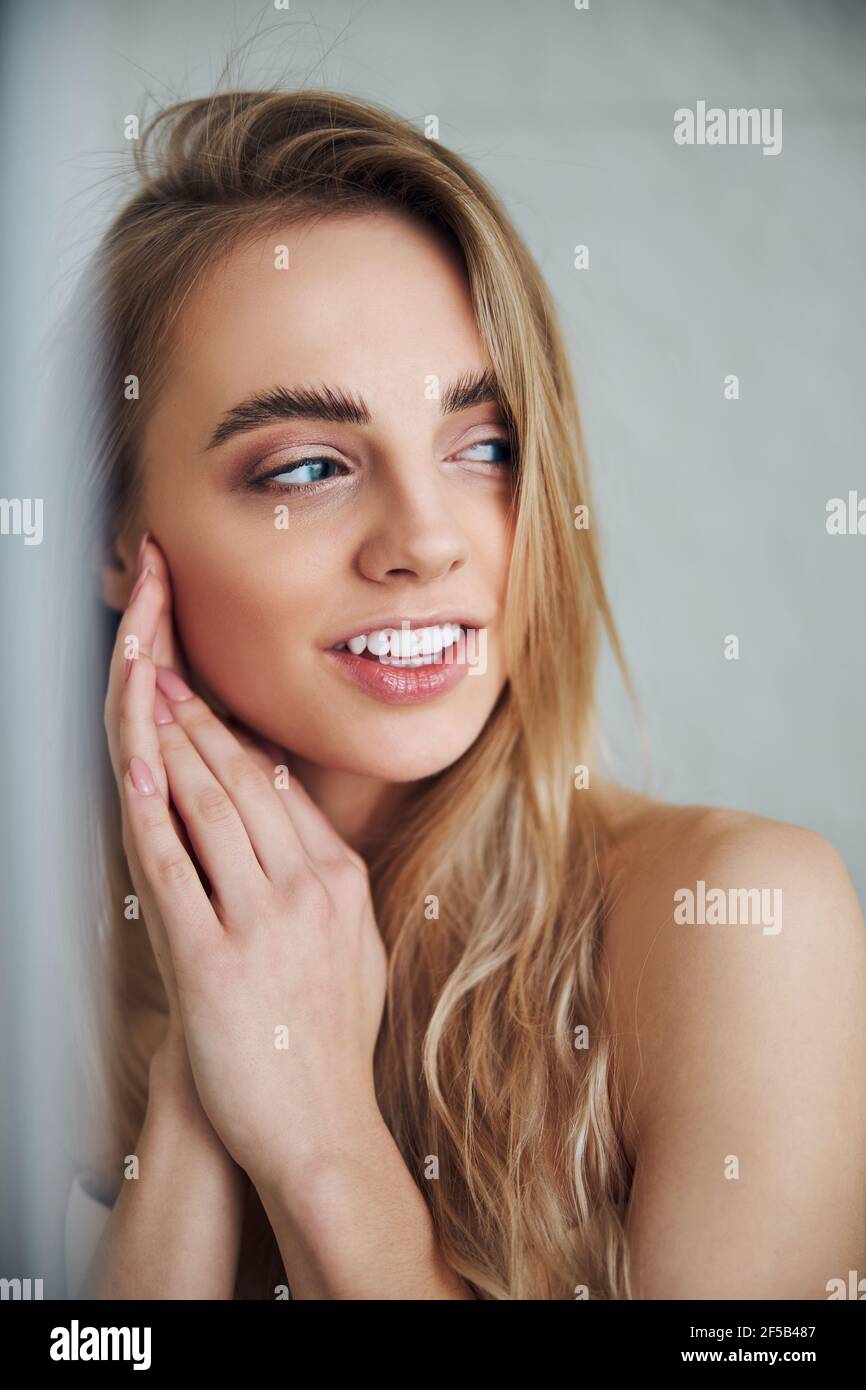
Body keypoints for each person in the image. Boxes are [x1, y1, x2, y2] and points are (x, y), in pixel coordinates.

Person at [61, 88, 865, 1301]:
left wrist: (321, 1139)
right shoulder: (47, 983)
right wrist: (196, 1077)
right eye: (309, 466)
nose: (427, 541)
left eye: (483, 447)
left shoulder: (735, 924)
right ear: (118, 536)